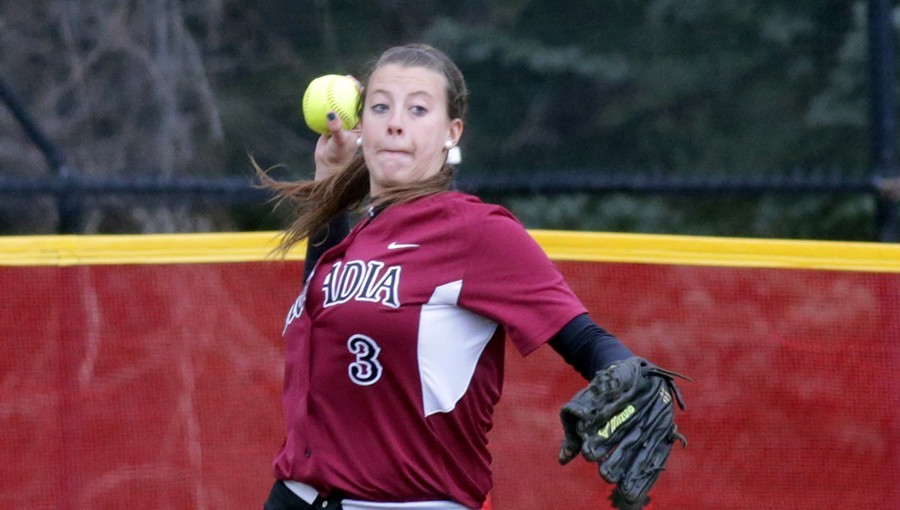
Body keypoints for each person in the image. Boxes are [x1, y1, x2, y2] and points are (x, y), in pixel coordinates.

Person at [259, 43, 643, 510]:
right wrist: (331, 182)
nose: (396, 121)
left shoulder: (474, 231)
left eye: (418, 109)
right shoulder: (359, 236)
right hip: (295, 497)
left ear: (451, 132)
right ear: (363, 127)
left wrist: (637, 389)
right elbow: (324, 318)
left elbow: (584, 339)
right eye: (381, 106)